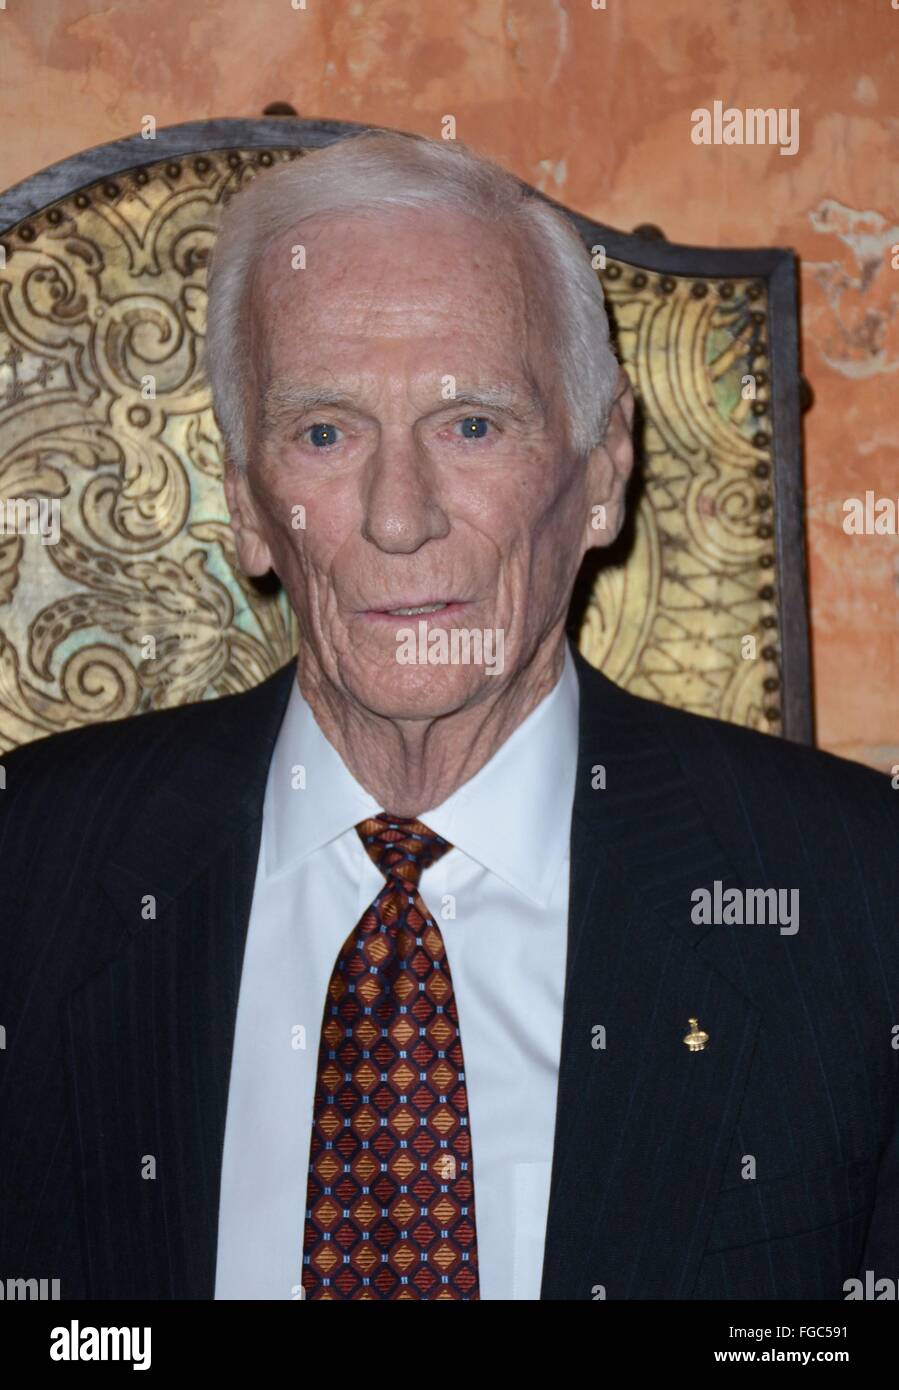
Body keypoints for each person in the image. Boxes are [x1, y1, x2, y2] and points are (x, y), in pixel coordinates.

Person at [1, 131, 896, 1301]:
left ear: (601, 467)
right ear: (250, 507)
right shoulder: (28, 876)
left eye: (471, 424)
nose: (397, 517)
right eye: (323, 431)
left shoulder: (858, 901)